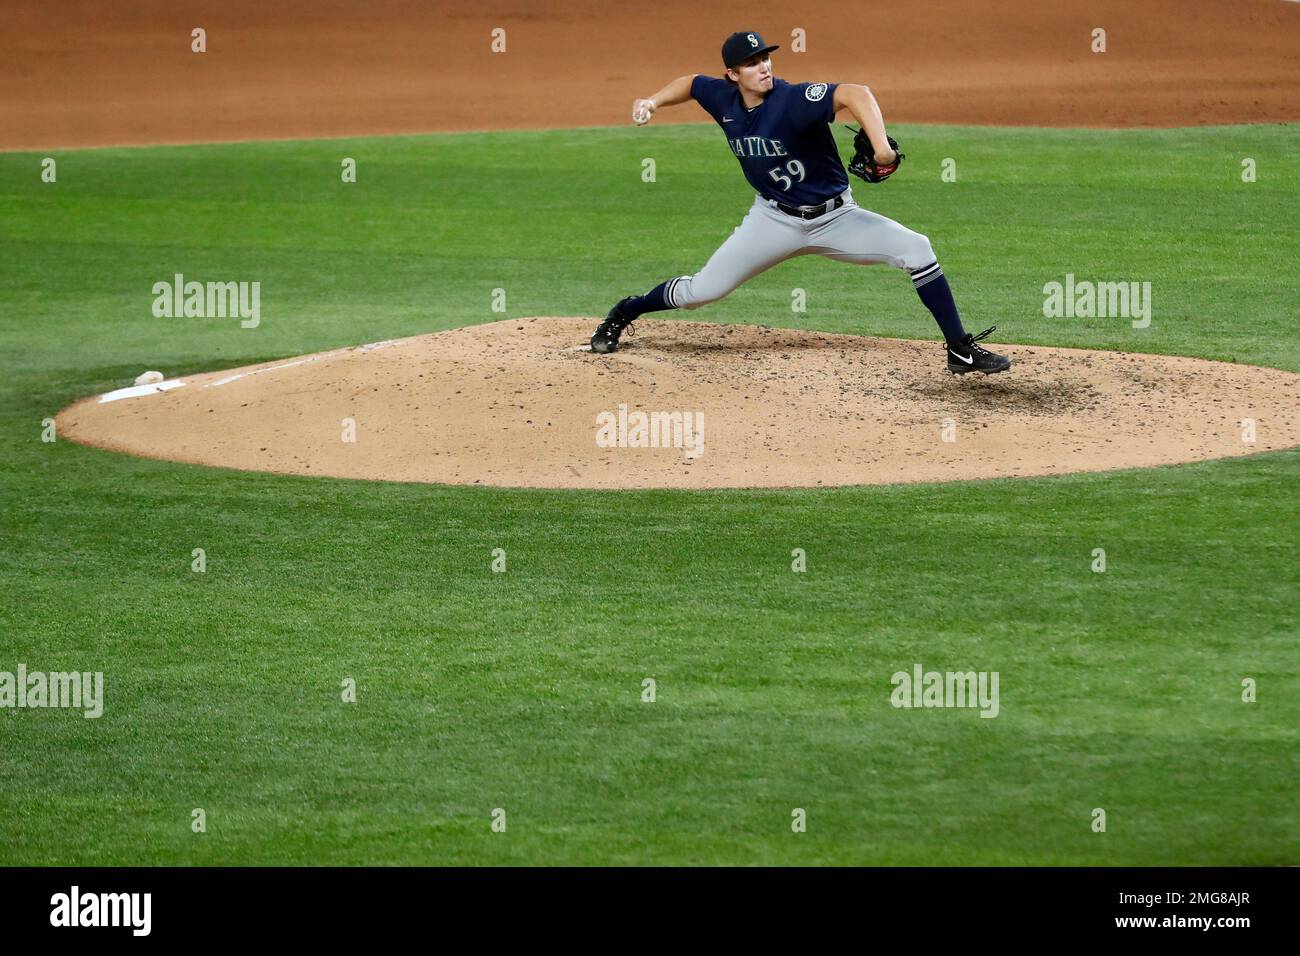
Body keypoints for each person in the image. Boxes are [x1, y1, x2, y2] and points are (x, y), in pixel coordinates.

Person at [590, 30, 1011, 375]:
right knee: (704, 290)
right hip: (772, 221)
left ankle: (960, 350)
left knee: (917, 248)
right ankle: (628, 309)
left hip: (837, 218)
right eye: (753, 63)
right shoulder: (723, 98)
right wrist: (652, 100)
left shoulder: (793, 99)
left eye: (766, 58)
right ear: (733, 74)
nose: (764, 66)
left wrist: (882, 148)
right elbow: (691, 83)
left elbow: (856, 93)